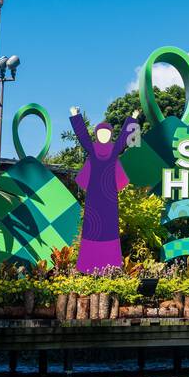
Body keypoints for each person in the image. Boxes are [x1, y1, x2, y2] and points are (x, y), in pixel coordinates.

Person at [69, 107, 140, 273]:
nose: (104, 136)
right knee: (92, 227)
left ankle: (111, 267)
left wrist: (133, 117)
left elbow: (124, 139)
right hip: (94, 195)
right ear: (96, 135)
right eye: (100, 133)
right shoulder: (92, 149)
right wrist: (75, 115)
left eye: (106, 133)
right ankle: (87, 266)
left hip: (109, 195)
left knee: (109, 228)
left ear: (110, 135)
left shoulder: (114, 150)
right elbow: (83, 137)